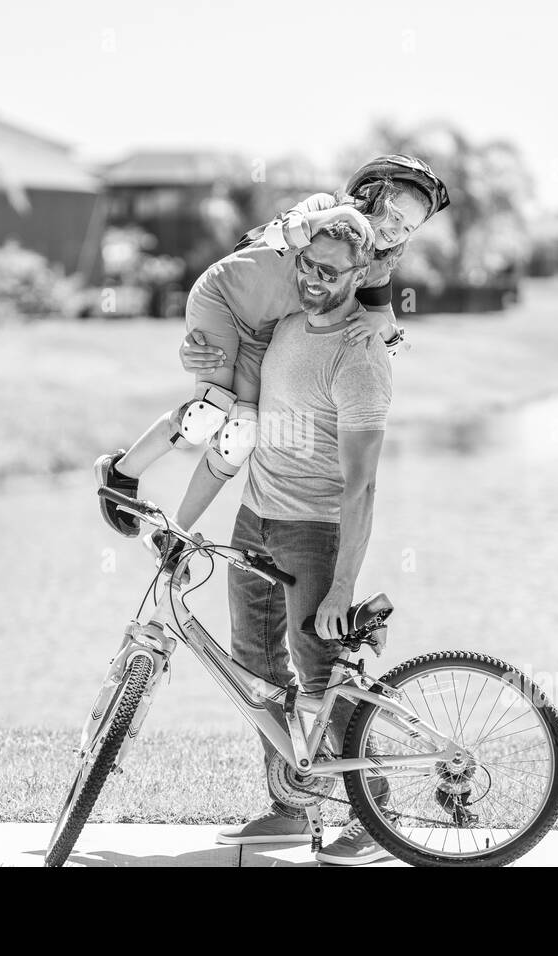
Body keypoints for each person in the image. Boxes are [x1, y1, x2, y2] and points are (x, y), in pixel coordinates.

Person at [95, 156, 448, 549]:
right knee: (206, 412)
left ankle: (172, 534)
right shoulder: (321, 209)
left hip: (262, 334)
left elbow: (388, 325)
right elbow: (282, 236)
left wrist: (381, 327)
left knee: (240, 435)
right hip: (223, 299)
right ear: (372, 195)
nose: (397, 232)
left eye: (408, 228)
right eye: (395, 216)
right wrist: (341, 215)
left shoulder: (373, 264)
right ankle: (120, 471)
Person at [209, 220, 395, 865]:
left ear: (361, 273)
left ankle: (376, 817)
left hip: (314, 530)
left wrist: (344, 583)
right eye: (308, 266)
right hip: (255, 516)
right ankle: (292, 807)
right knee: (254, 663)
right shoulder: (289, 325)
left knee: (322, 674)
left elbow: (362, 487)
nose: (315, 281)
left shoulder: (359, 358)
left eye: (332, 272)